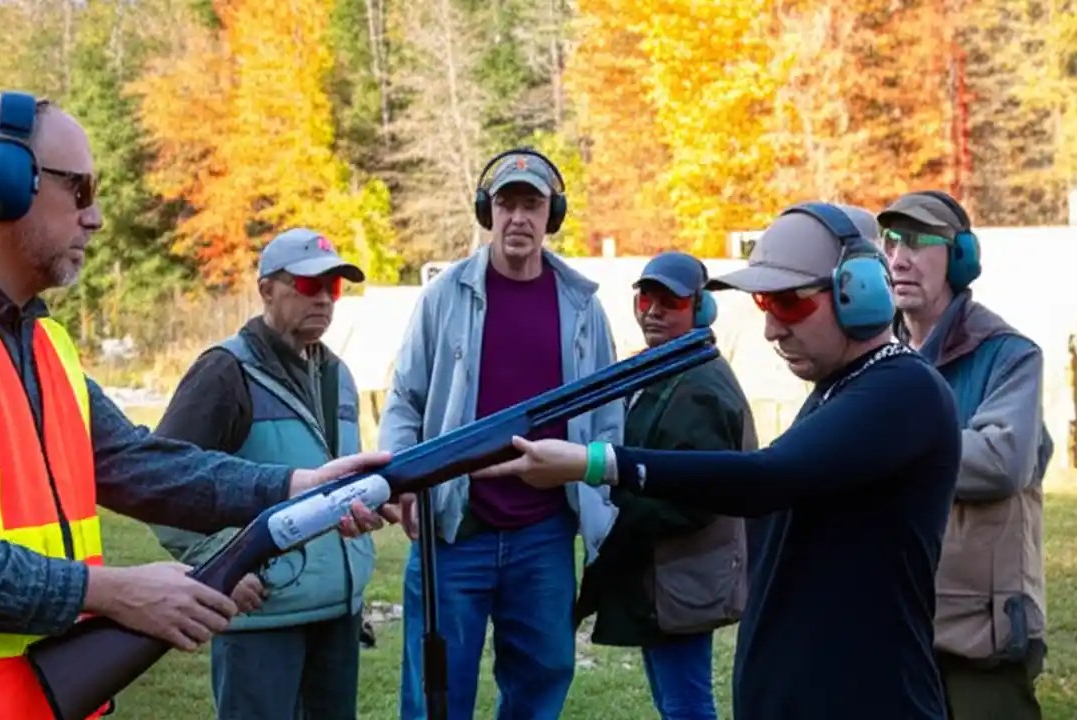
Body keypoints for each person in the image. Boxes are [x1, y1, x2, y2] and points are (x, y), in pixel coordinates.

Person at [0, 92, 394, 719]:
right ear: (2, 183)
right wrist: (107, 592)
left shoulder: (40, 340)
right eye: (78, 189)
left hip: (42, 701)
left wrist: (299, 485)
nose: (97, 216)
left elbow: (140, 461)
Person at [475, 202, 964, 720]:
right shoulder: (840, 389)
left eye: (789, 304)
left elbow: (767, 478)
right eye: (763, 304)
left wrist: (597, 462)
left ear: (858, 291)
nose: (773, 330)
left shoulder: (903, 387)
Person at [379, 147, 624, 719]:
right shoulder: (445, 295)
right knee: (436, 693)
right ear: (487, 211)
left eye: (531, 204)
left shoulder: (583, 306)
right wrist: (402, 481)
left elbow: (608, 414)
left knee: (542, 682)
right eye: (506, 204)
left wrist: (599, 495)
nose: (518, 218)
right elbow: (405, 400)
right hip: (454, 530)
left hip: (543, 533)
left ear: (551, 214)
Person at [149, 227, 377, 720]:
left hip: (338, 613)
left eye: (333, 287)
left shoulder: (339, 376)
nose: (323, 299)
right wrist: (219, 561)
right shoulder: (223, 372)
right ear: (266, 289)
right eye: (307, 284)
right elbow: (161, 481)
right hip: (261, 615)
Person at [878, 191, 1051, 720]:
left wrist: (889, 447)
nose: (899, 257)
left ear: (961, 258)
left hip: (982, 628)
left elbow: (1001, 460)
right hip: (901, 617)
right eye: (891, 241)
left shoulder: (1010, 354)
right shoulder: (879, 354)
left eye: (920, 241)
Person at [574, 251, 755, 720]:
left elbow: (696, 497)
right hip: (667, 576)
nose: (653, 311)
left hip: (680, 578)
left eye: (669, 302)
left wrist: (616, 516)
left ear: (700, 308)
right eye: (646, 299)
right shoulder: (667, 367)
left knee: (686, 705)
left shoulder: (699, 384)